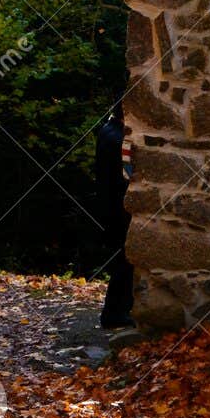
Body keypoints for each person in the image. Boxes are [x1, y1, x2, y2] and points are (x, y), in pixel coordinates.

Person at [94, 100, 135, 329]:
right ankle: (115, 313)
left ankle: (118, 310)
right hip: (117, 206)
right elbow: (126, 174)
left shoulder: (108, 130)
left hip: (109, 203)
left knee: (123, 259)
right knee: (124, 260)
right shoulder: (118, 138)